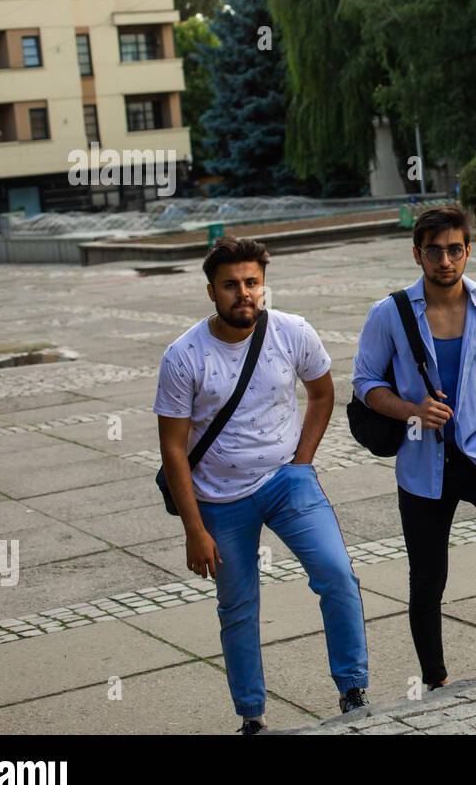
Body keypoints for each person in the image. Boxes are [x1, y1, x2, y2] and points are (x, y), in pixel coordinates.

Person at [155, 236, 369, 734]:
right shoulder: (183, 356)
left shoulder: (292, 331)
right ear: (211, 292)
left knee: (337, 574)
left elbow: (322, 394)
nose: (244, 293)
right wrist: (194, 529)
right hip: (219, 499)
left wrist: (302, 462)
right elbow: (172, 449)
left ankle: (353, 689)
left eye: (252, 283)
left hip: (286, 481)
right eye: (231, 285)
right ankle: (252, 716)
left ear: (264, 285)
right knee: (238, 606)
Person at [353, 205, 476, 689]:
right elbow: (365, 382)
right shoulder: (389, 313)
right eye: (434, 251)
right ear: (417, 254)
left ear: (467, 251)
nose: (445, 260)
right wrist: (411, 410)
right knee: (427, 579)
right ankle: (435, 680)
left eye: (454, 250)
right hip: (423, 463)